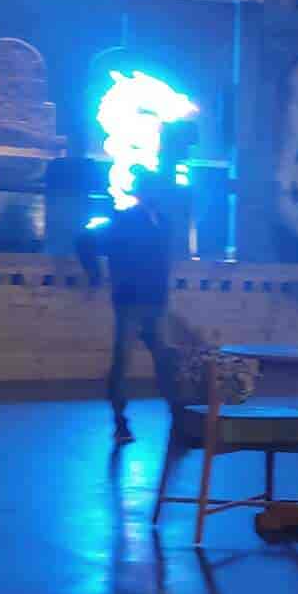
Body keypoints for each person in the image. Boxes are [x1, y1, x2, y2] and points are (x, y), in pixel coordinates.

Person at [76, 169, 173, 443]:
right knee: (136, 363)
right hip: (135, 301)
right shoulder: (132, 222)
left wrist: (96, 275)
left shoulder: (155, 222)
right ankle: (124, 423)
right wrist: (95, 274)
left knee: (153, 363)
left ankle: (126, 423)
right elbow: (84, 241)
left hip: (148, 302)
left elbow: (85, 240)